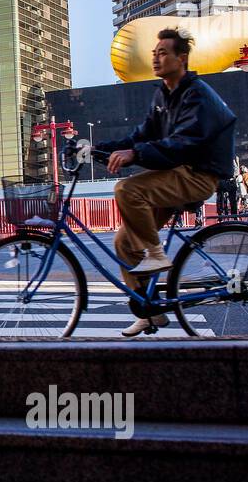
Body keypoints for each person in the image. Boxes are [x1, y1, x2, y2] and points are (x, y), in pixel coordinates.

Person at [96, 27, 237, 337]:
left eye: (163, 53)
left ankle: (157, 255)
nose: (156, 59)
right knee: (123, 243)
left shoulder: (196, 94)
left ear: (181, 58)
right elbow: (141, 135)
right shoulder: (163, 94)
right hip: (176, 175)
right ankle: (150, 313)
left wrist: (134, 154)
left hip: (199, 174)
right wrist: (98, 148)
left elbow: (183, 143)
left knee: (127, 189)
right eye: (154, 54)